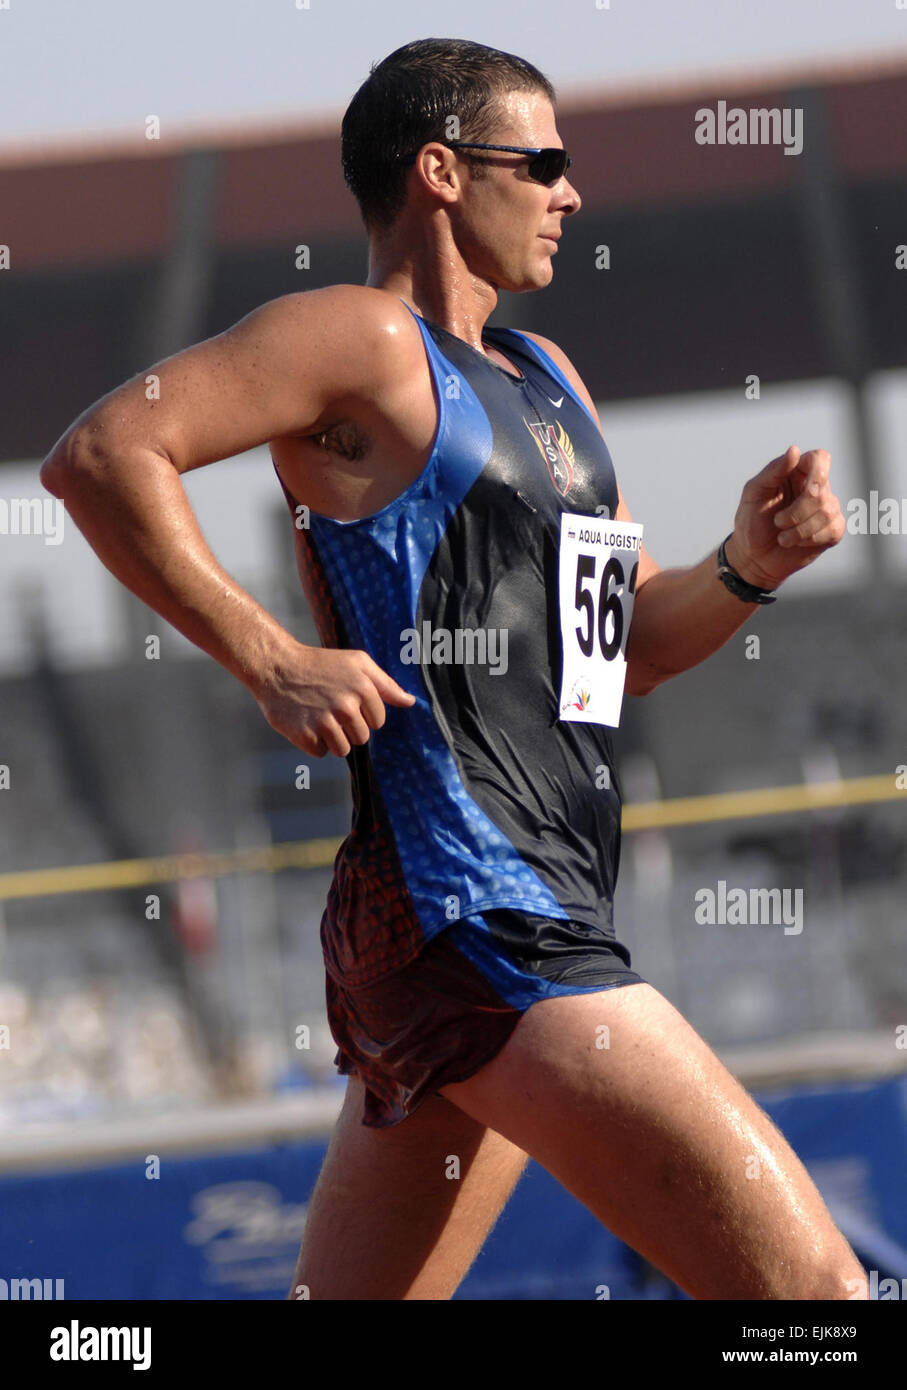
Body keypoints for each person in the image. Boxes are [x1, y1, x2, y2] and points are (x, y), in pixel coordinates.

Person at [40, 37, 867, 1302]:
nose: (569, 193)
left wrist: (747, 564)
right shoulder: (359, 338)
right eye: (540, 162)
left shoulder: (549, 381)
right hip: (481, 911)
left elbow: (626, 652)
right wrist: (270, 656)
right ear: (438, 171)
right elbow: (102, 453)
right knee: (811, 1298)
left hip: (492, 919)